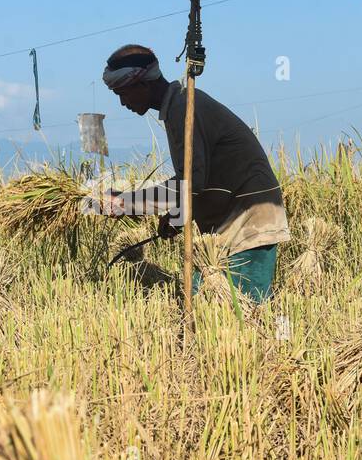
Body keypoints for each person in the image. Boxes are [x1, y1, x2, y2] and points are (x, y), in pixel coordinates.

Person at [96, 44, 290, 302]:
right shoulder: (176, 108)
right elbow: (200, 180)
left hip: (249, 224)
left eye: (123, 93)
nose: (122, 103)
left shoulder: (184, 109)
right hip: (229, 226)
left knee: (237, 313)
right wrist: (177, 217)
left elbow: (191, 182)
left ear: (142, 83)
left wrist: (128, 202)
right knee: (208, 306)